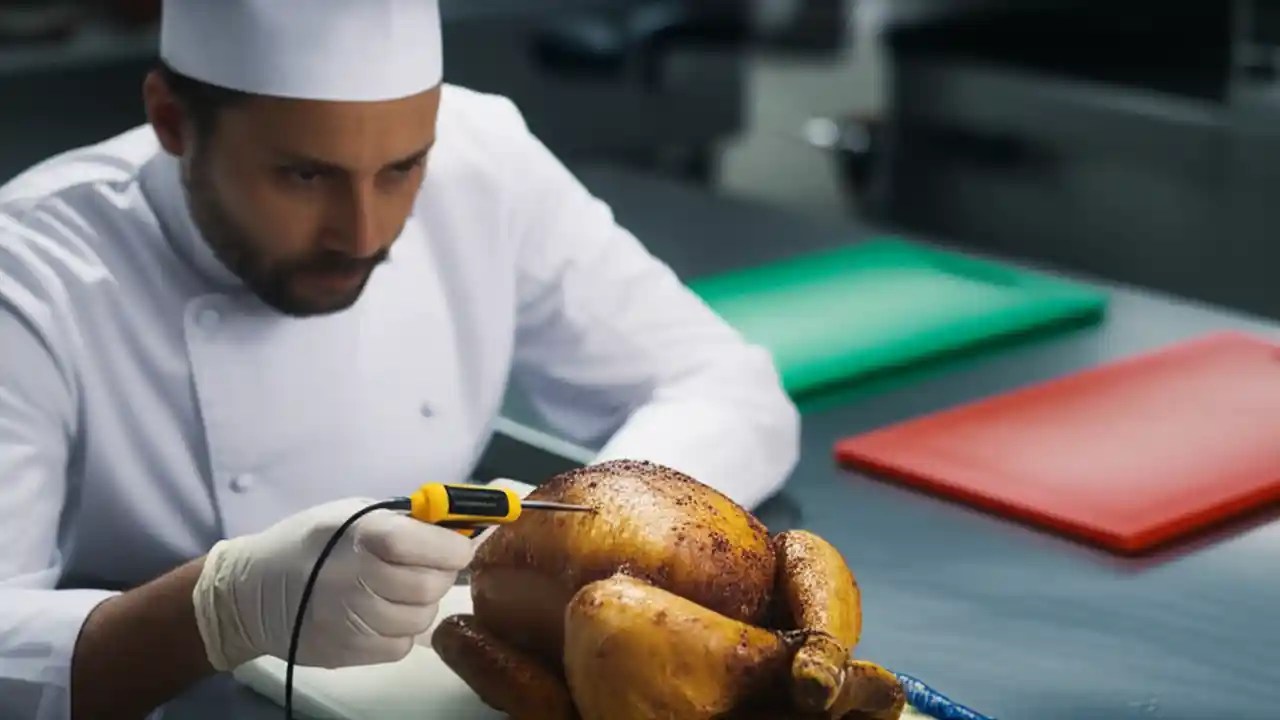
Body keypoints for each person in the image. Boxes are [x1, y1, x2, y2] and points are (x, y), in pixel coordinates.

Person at [0, 0, 799, 718]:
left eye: (402, 169)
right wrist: (222, 609)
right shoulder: (30, 273)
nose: (364, 231)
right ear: (171, 120)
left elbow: (728, 386)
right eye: (304, 174)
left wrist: (601, 530)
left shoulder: (485, 160)